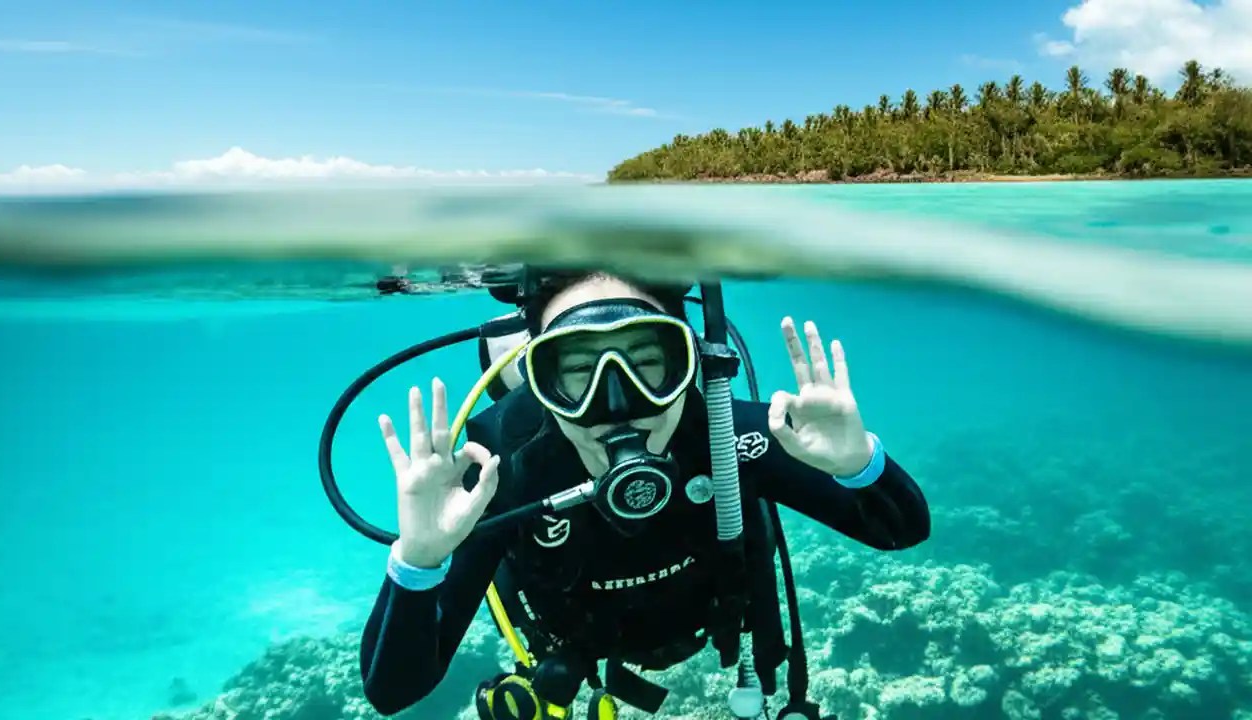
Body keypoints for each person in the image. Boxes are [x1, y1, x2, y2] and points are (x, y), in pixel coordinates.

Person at [358, 269, 931, 719]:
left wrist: (859, 464)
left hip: (711, 623)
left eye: (649, 363)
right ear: (541, 380)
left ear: (691, 363)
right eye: (578, 372)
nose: (616, 403)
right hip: (578, 647)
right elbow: (393, 691)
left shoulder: (734, 436)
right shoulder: (501, 467)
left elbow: (902, 529)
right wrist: (419, 559)